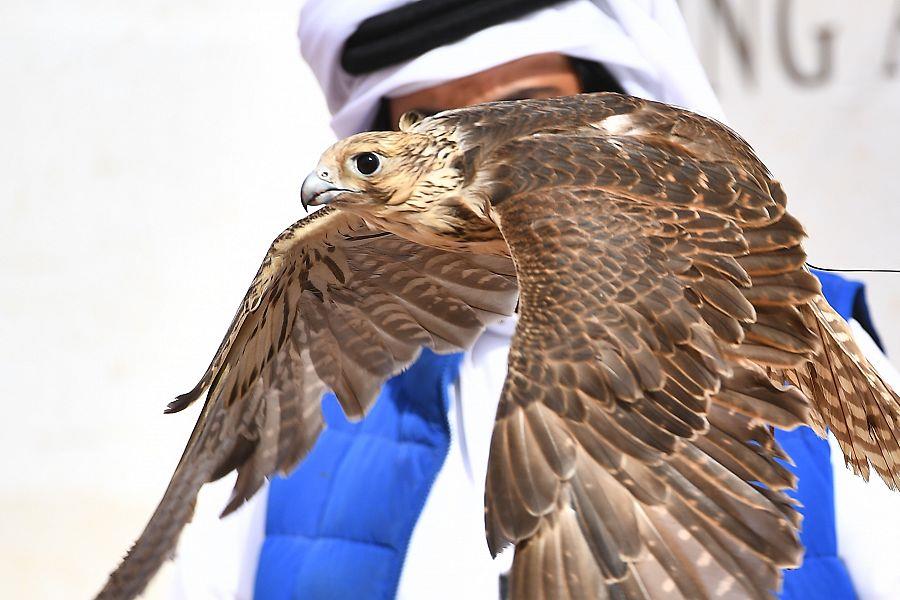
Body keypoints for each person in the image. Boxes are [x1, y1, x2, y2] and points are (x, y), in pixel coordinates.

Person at [169, 1, 900, 598]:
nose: (488, 155)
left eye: (525, 111)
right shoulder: (316, 392)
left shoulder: (796, 330)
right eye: (429, 122)